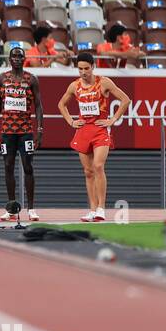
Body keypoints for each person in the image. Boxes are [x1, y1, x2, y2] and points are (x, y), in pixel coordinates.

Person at [57, 50, 130, 222]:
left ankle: (101, 208)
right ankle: (91, 209)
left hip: (100, 129)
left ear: (93, 67)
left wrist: (112, 119)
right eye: (80, 69)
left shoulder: (104, 82)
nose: (83, 72)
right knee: (88, 171)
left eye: (86, 69)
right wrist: (71, 121)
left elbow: (125, 99)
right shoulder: (74, 86)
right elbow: (61, 104)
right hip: (83, 130)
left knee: (98, 166)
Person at [0, 45, 44, 222]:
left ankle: (32, 208)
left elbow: (39, 106)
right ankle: (12, 208)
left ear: (24, 59)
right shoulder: (2, 79)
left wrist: (40, 129)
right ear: (9, 59)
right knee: (8, 167)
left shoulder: (31, 79)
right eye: (14, 56)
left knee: (28, 167)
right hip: (7, 132)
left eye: (20, 56)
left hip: (26, 131)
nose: (17, 59)